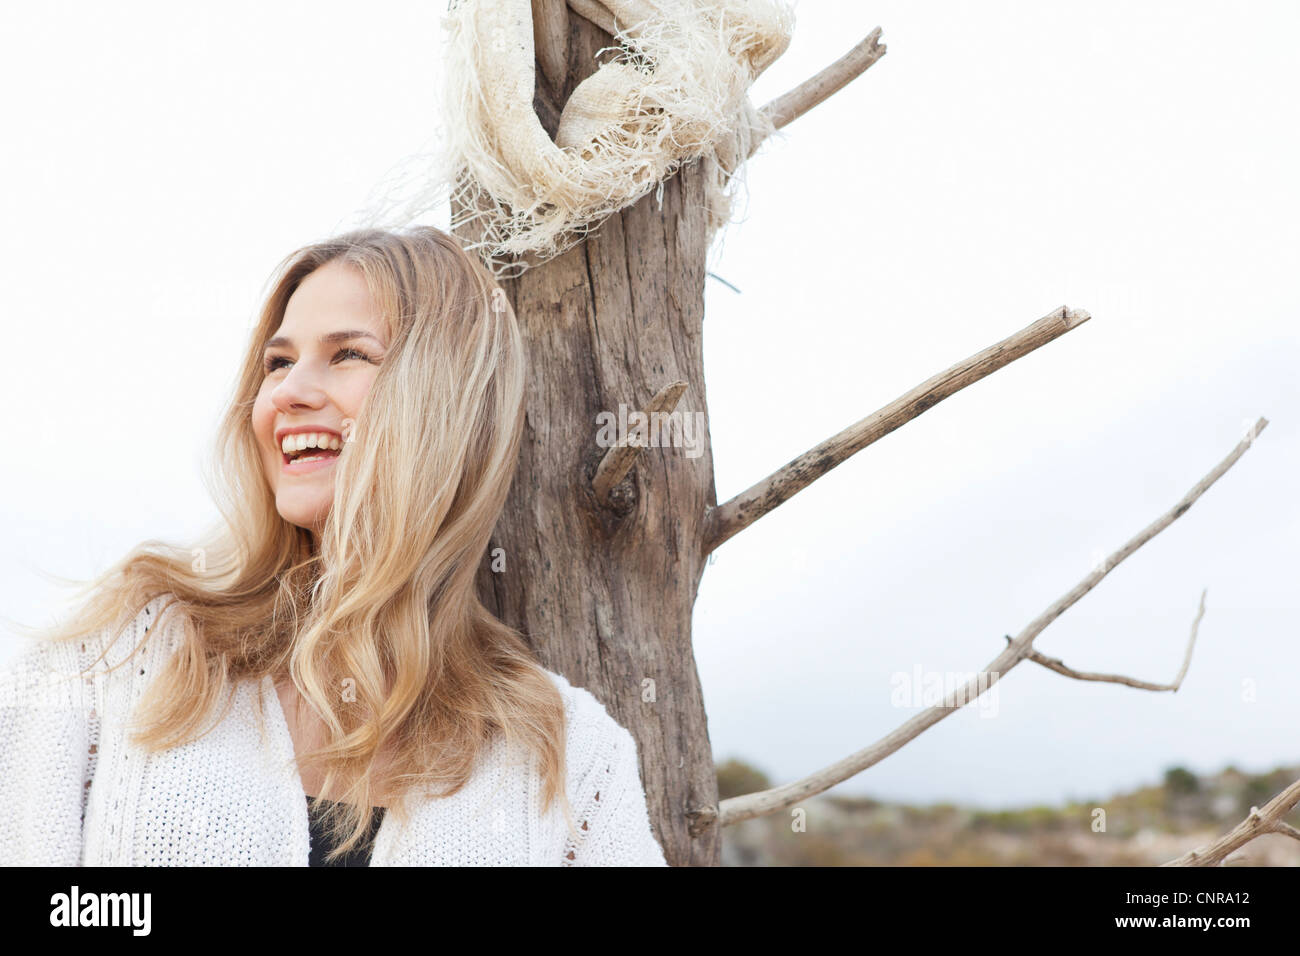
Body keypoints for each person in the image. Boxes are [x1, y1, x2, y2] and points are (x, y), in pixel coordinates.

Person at [0, 226, 667, 866]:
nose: (288, 392)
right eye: (278, 362)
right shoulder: (113, 661)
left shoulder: (568, 753)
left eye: (348, 354)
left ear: (449, 402)